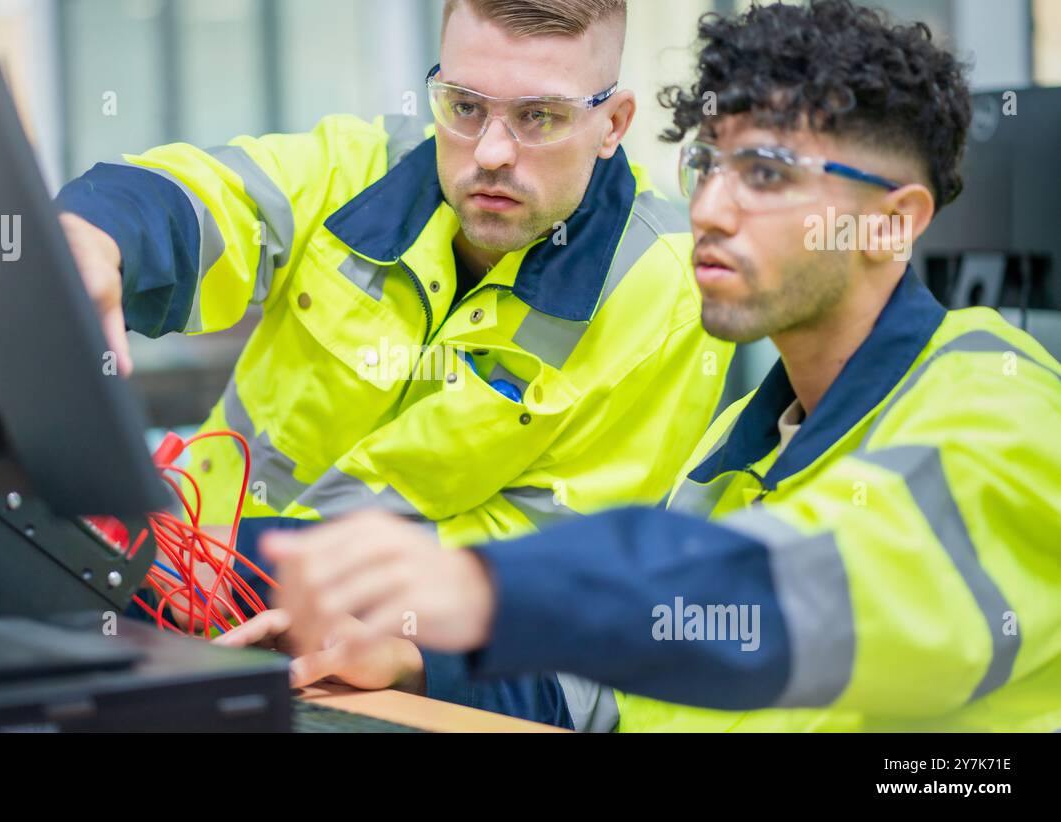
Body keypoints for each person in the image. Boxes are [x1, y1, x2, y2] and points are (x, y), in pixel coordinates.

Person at [223, 0, 1061, 732]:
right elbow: (619, 685)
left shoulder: (1005, 405)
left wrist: (491, 589)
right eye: (707, 164)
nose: (708, 209)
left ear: (889, 224)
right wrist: (415, 660)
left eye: (766, 174)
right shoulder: (739, 451)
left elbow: (803, 592)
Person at [58, 0, 731, 727]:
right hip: (160, 591)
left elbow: (536, 577)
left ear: (614, 124)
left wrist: (250, 571)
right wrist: (95, 232)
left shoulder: (665, 294)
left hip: (363, 674)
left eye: (540, 116)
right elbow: (208, 196)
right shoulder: (359, 169)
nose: (493, 151)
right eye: (464, 105)